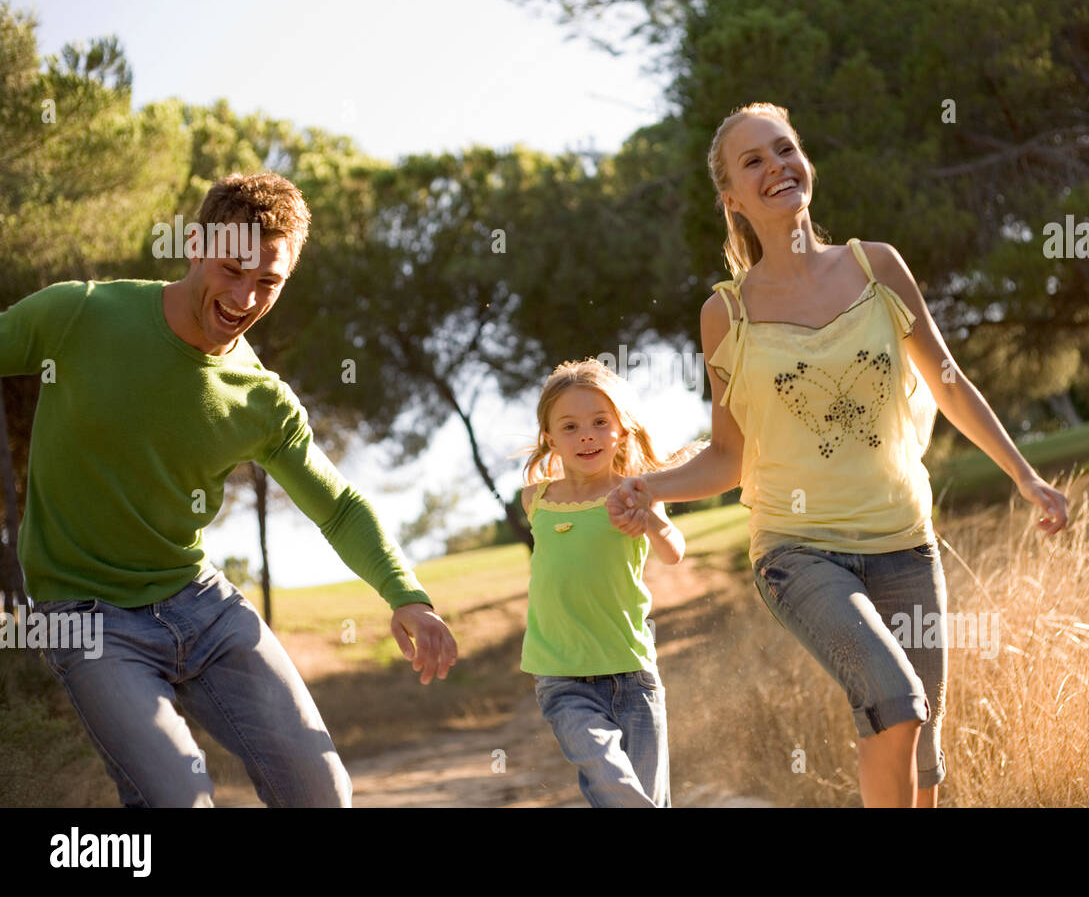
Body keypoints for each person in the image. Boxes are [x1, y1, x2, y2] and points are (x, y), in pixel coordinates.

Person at [608, 102, 1068, 808]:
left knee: (924, 753)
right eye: (753, 161)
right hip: (798, 552)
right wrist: (652, 486)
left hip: (903, 542)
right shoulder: (725, 315)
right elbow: (730, 457)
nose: (776, 167)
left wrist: (1025, 476)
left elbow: (948, 384)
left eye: (785, 149)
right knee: (895, 702)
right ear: (731, 199)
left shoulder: (876, 267)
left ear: (807, 164)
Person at [0, 172, 457, 807]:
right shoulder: (81, 314)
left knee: (323, 793)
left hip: (200, 605)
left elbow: (341, 507)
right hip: (86, 618)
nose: (245, 296)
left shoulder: (261, 399)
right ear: (195, 244)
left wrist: (407, 596)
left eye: (268, 280)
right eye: (232, 267)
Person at [519, 358, 689, 807]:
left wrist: (651, 520)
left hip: (633, 673)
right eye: (570, 426)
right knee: (610, 777)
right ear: (549, 437)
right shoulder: (534, 499)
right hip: (561, 676)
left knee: (648, 794)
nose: (586, 435)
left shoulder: (635, 492)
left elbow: (673, 553)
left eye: (599, 422)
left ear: (622, 430)